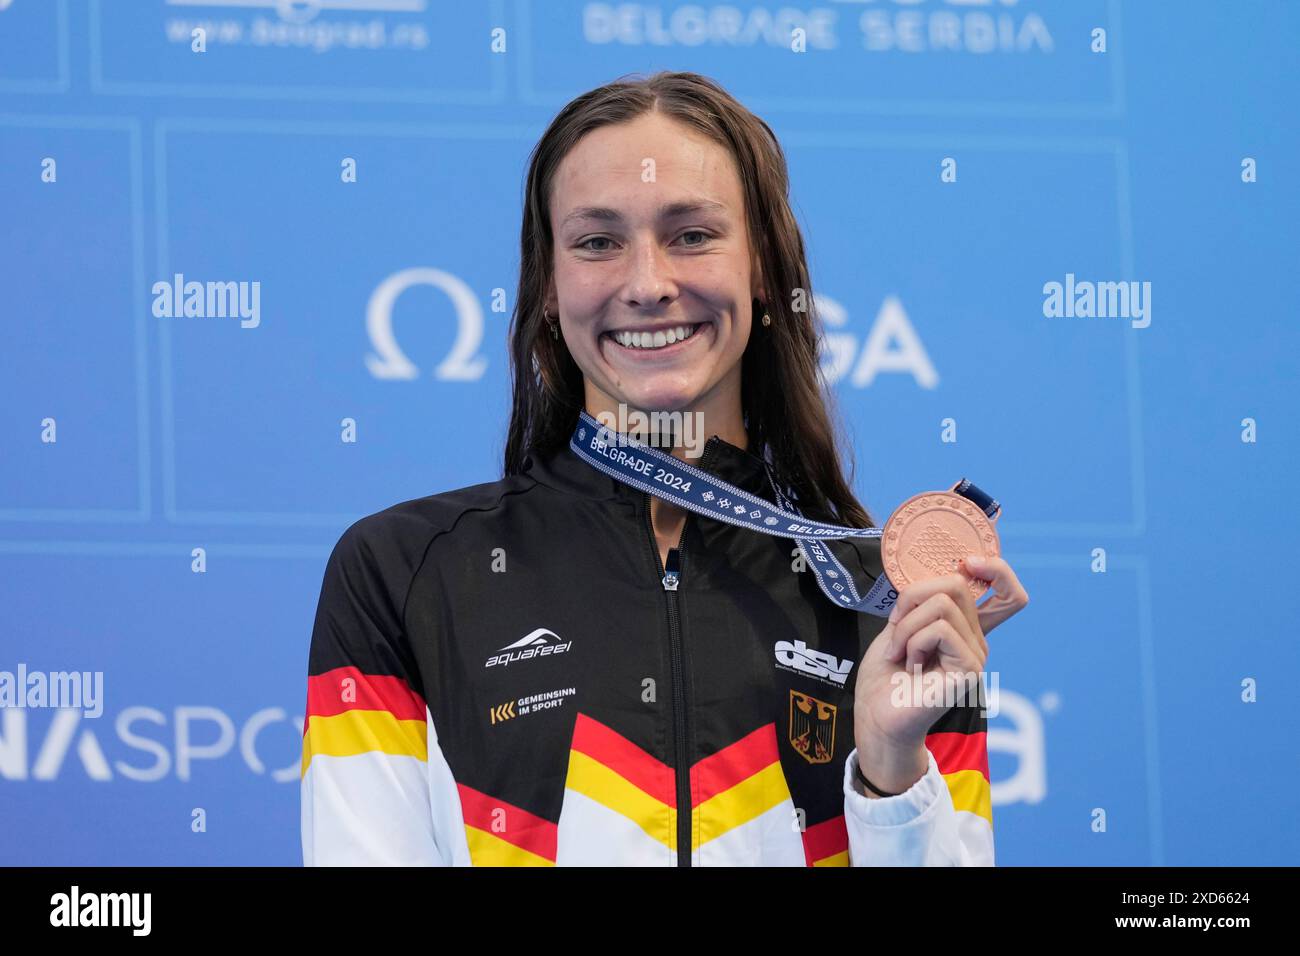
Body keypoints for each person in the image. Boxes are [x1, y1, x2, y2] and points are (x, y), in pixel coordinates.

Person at [300, 70, 1029, 866]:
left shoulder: (890, 608)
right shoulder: (403, 574)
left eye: (691, 235)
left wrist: (892, 778)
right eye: (597, 242)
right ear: (548, 286)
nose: (647, 284)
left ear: (761, 270)